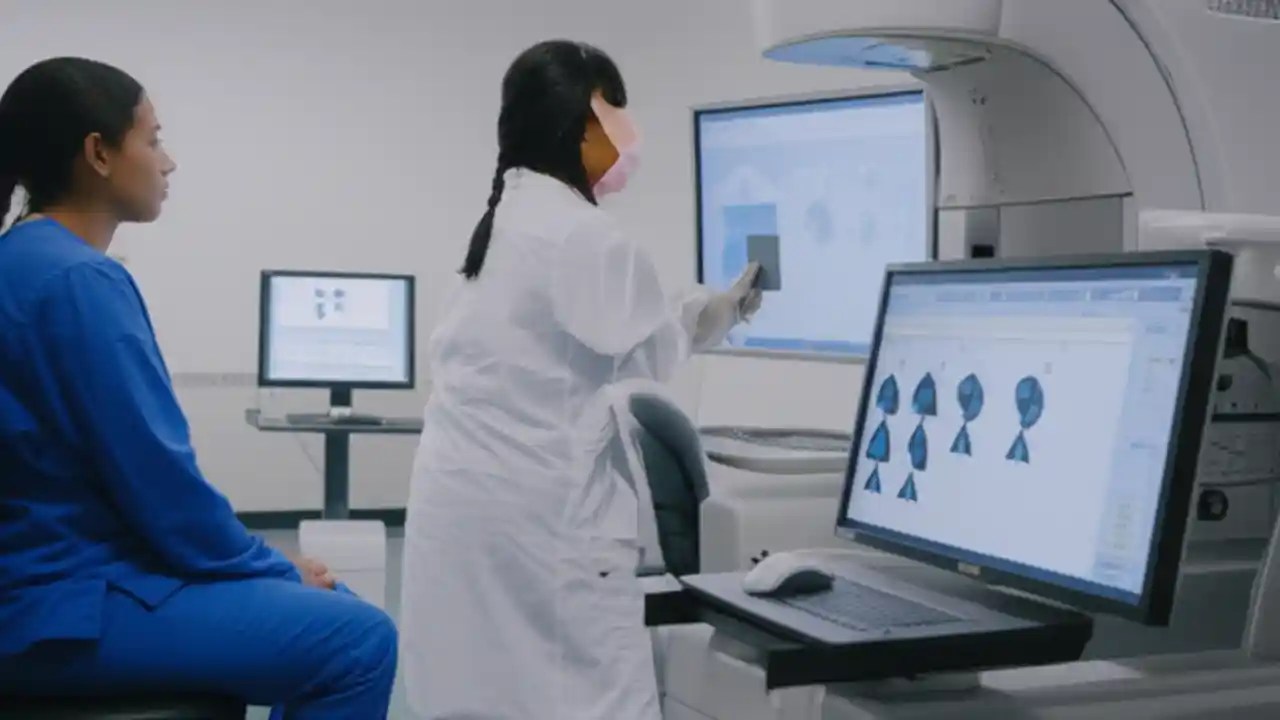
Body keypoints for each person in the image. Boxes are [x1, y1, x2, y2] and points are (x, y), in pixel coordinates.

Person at [0, 58, 397, 718]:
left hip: (43, 586)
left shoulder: (20, 261)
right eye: (153, 139)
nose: (168, 161)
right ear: (99, 153)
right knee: (359, 639)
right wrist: (274, 566)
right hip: (58, 610)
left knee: (319, 608)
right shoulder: (79, 280)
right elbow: (161, 487)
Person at [400, 40, 762, 719]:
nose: (631, 131)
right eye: (617, 110)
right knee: (590, 698)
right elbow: (654, 352)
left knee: (483, 692)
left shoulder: (507, 220)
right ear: (581, 123)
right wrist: (720, 313)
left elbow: (602, 337)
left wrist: (705, 312)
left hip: (464, 511)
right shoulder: (581, 234)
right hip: (543, 522)